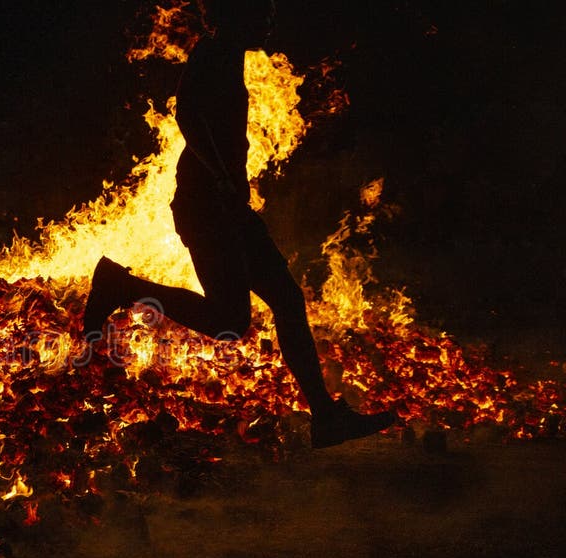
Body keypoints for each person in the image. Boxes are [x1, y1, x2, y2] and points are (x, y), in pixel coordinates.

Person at [83, 0, 396, 448]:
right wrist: (221, 175)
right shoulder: (212, 53)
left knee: (287, 300)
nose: (269, 21)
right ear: (236, 15)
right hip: (206, 206)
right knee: (230, 320)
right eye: (261, 13)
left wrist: (232, 185)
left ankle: (325, 417)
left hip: (229, 208)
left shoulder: (229, 57)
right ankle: (123, 287)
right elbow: (187, 112)